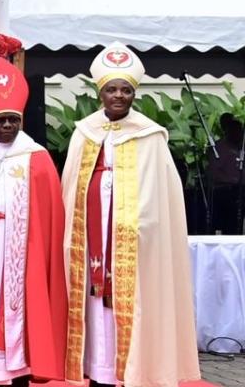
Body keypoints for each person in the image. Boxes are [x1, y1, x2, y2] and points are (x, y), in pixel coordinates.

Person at [58, 42, 200, 386]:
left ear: (134, 94)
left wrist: (142, 226)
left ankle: (134, 371)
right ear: (100, 93)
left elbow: (161, 199)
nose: (118, 96)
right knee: (94, 307)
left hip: (133, 245)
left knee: (132, 304)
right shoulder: (84, 133)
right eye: (112, 89)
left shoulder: (150, 136)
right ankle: (98, 371)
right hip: (91, 239)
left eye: (125, 90)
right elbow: (70, 188)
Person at [0, 60, 67, 387]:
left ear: (21, 120)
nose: (7, 125)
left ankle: (19, 371)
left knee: (18, 306)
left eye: (13, 119)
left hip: (21, 251)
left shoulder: (37, 157)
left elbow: (50, 216)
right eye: (0, 120)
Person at [209, 113, 243, 235]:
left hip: (240, 190)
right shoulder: (219, 147)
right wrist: (232, 180)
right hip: (225, 191)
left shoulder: (241, 148)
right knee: (228, 224)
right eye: (234, 131)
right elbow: (213, 172)